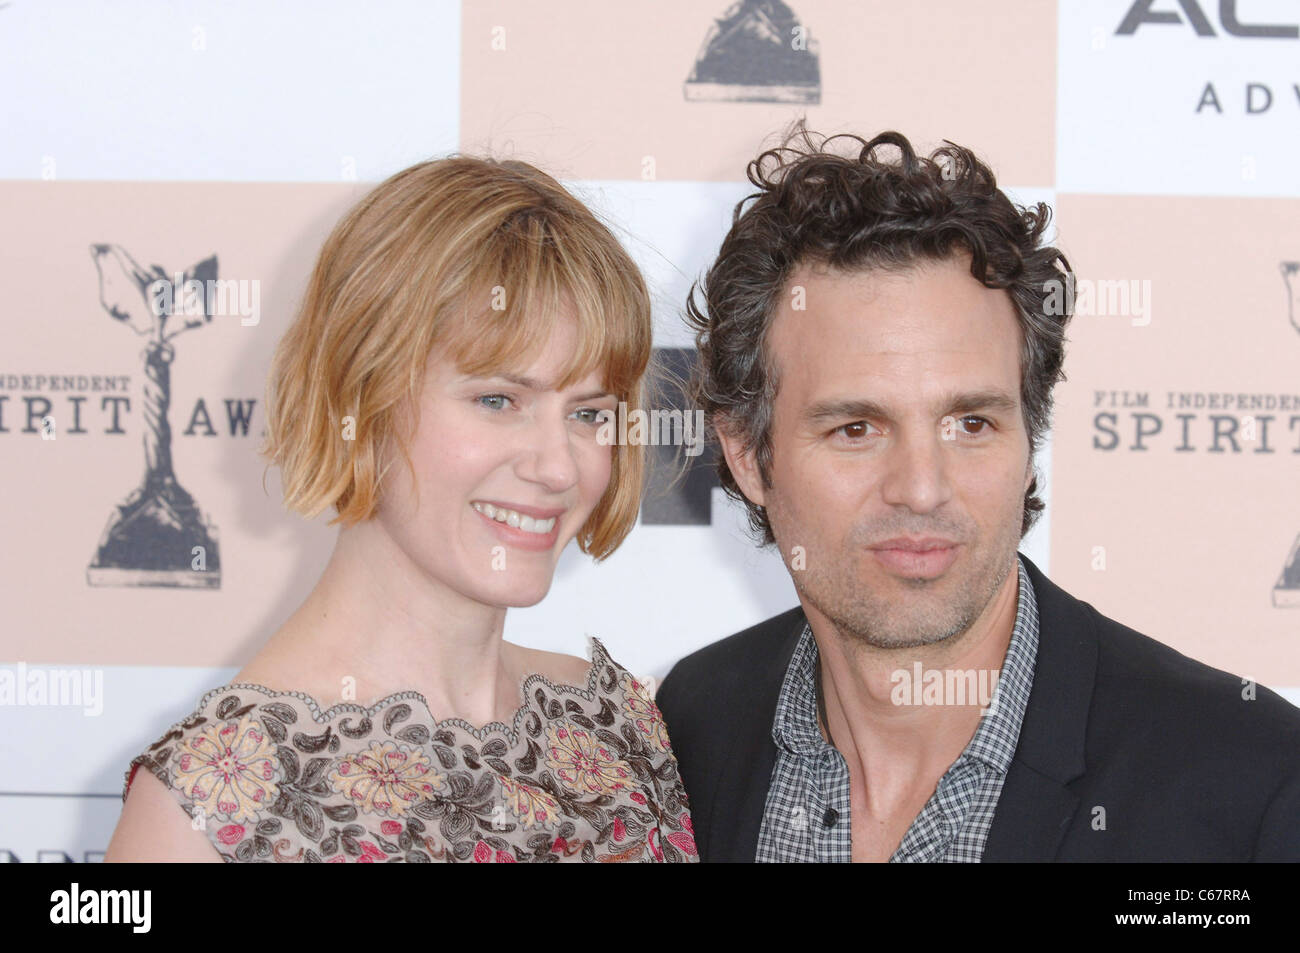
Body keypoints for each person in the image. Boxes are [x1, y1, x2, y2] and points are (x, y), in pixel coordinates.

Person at [655, 124, 1300, 862]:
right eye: (857, 427)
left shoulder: (1253, 789)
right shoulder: (693, 726)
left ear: (1029, 440)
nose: (922, 489)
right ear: (745, 450)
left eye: (971, 422)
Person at [105, 156, 696, 863]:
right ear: (362, 396)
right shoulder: (211, 808)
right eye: (498, 400)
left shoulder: (619, 725)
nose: (558, 465)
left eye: (589, 412)